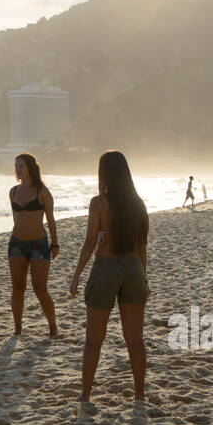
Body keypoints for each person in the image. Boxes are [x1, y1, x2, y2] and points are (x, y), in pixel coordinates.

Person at [70, 151, 150, 401]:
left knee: (94, 340)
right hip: (133, 268)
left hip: (106, 267)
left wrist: (76, 276)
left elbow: (89, 243)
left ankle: (85, 395)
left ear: (103, 173)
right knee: (135, 340)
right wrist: (144, 278)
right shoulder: (138, 204)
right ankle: (139, 394)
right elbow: (141, 247)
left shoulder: (99, 203)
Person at [7, 153, 59, 336]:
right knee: (18, 287)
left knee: (40, 288)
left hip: (39, 245)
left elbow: (51, 219)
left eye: (21, 166)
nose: (18, 169)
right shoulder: (13, 191)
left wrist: (55, 244)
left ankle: (52, 326)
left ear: (30, 168)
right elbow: (16, 219)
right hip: (16, 244)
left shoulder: (42, 192)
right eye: (16, 166)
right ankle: (18, 328)